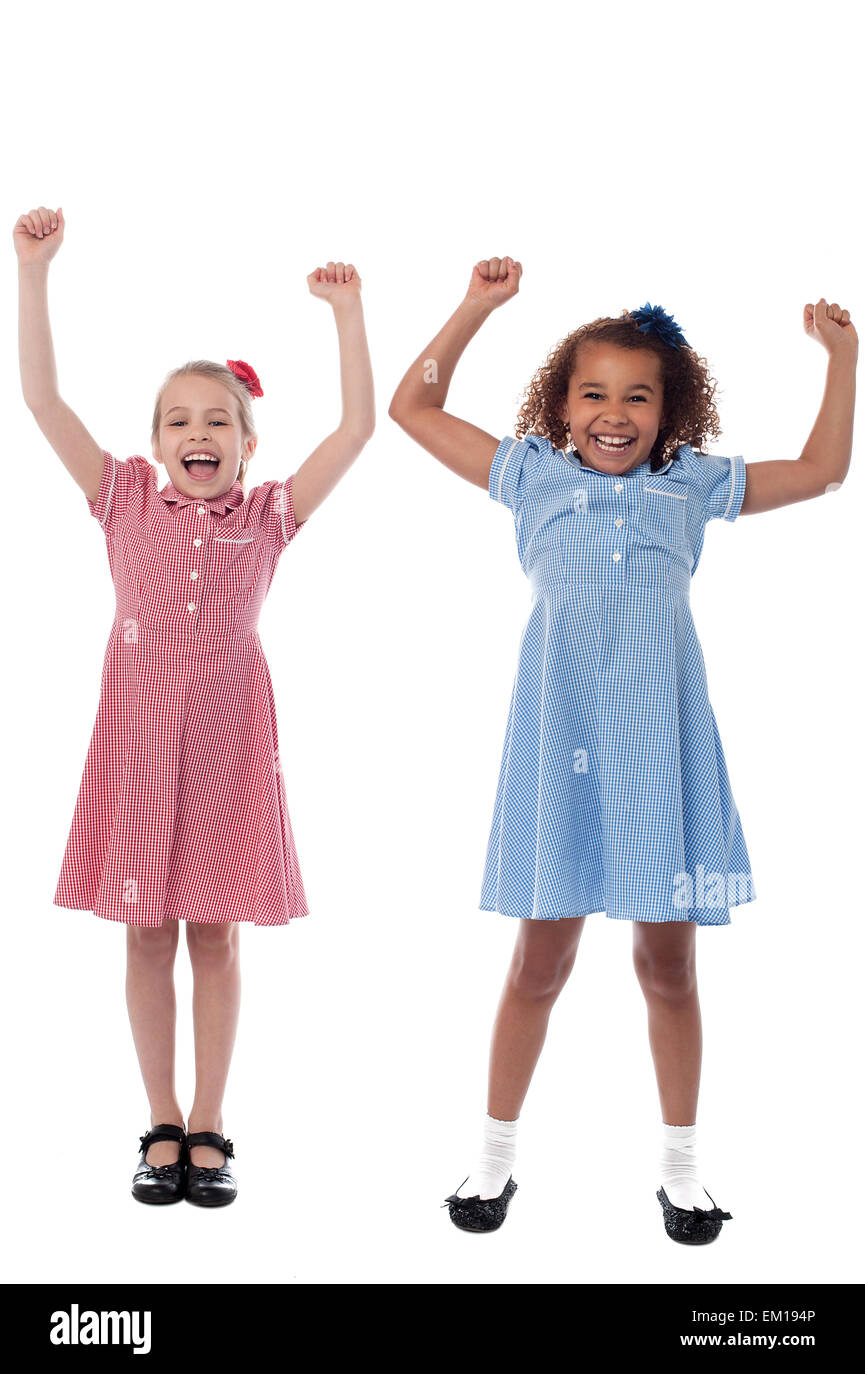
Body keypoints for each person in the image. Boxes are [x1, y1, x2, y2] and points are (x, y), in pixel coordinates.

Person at [389, 256, 856, 1242]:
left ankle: (682, 1171)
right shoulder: (529, 476)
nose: (614, 412)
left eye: (637, 395)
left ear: (668, 408)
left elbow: (821, 472)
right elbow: (412, 410)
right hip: (561, 752)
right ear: (560, 406)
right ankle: (491, 1160)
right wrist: (475, 306)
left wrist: (840, 360)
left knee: (669, 969)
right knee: (536, 962)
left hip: (658, 754)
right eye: (592, 393)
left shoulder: (690, 486)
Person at [16, 203, 375, 1207]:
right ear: (155, 442)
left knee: (215, 931)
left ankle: (211, 1119)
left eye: (217, 419)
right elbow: (42, 400)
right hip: (134, 744)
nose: (197, 433)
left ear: (249, 443)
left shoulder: (269, 515)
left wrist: (346, 315)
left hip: (226, 746)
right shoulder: (123, 496)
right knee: (142, 933)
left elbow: (357, 427)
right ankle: (160, 1118)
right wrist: (33, 272)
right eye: (178, 420)